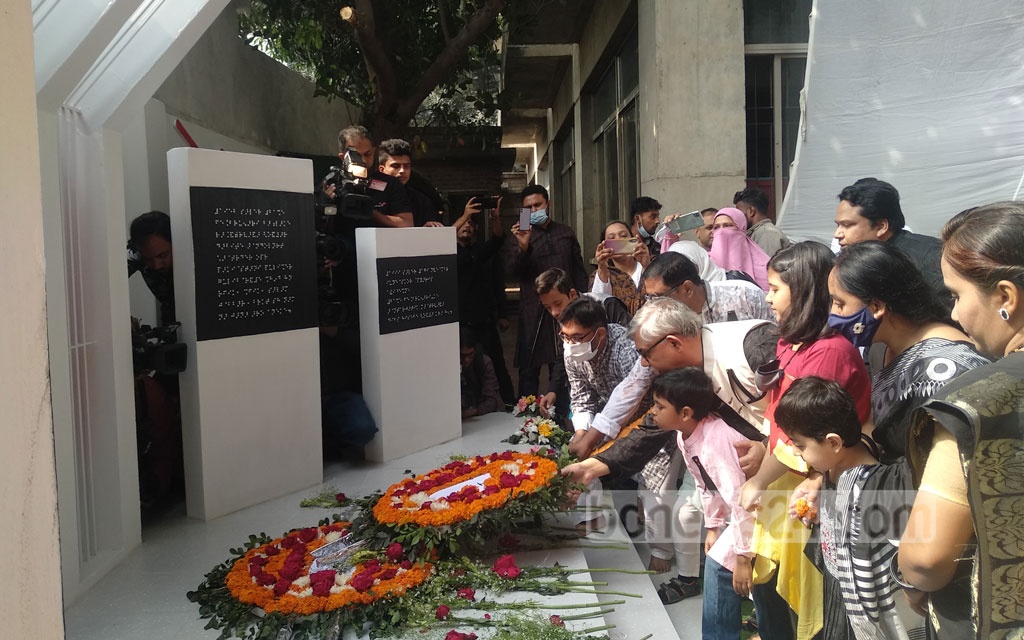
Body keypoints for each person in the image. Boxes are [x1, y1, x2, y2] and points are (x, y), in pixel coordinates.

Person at [562, 297, 774, 604]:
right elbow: (651, 428)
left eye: (645, 354)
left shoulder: (752, 345)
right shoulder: (681, 376)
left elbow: (808, 407)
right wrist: (592, 467)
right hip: (752, 479)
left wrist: (769, 447)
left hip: (791, 467)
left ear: (673, 342)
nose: (644, 364)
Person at [898, 201, 1024, 639]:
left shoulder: (976, 400)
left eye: (956, 295)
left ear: (1005, 297)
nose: (953, 314)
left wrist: (910, 579)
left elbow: (925, 559)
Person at [738, 241, 872, 640]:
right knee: (775, 591)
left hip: (813, 486)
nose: (768, 297)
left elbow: (802, 436)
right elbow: (779, 419)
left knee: (811, 599)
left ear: (804, 291)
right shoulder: (790, 343)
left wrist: (759, 480)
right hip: (787, 480)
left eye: (775, 288)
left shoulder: (828, 352)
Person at [775, 377, 910, 640]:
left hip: (869, 609)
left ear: (834, 442)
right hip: (839, 594)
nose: (796, 452)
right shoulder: (832, 468)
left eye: (800, 445)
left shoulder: (876, 490)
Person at [828, 241, 989, 462]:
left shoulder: (945, 370)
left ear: (876, 307)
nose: (833, 314)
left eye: (839, 304)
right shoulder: (881, 347)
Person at [648, 368, 755, 640]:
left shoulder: (716, 440)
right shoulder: (685, 435)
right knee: (721, 567)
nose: (652, 411)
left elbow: (743, 498)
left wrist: (743, 556)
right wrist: (713, 527)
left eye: (660, 406)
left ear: (685, 413)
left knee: (721, 569)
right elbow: (705, 484)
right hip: (744, 514)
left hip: (761, 511)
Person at [509, 184, 588, 406]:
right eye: (528, 208)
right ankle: (527, 418)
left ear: (548, 204)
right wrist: (523, 246)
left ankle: (559, 415)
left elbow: (578, 270)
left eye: (538, 204)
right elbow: (514, 270)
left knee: (562, 365)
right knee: (529, 368)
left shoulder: (565, 233)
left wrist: (583, 300)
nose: (534, 210)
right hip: (533, 310)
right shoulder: (521, 234)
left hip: (565, 309)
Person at [832, 178, 949, 311]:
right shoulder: (850, 262)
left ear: (881, 226)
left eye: (847, 225)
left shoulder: (931, 258)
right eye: (838, 225)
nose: (837, 234)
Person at [533, 267, 630, 419]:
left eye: (557, 303)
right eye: (548, 307)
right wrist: (553, 390)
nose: (554, 312)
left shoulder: (608, 307)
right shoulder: (566, 335)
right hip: (594, 400)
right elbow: (581, 398)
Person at [454, 198, 514, 405]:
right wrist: (464, 215)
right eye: (463, 224)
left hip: (484, 322)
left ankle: (511, 406)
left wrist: (496, 218)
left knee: (497, 365)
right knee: (462, 366)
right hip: (460, 324)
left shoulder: (481, 252)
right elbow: (438, 241)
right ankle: (468, 407)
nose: (467, 226)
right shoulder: (446, 252)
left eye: (471, 223)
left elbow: (498, 239)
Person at [641, 251, 774, 325]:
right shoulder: (661, 321)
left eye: (658, 297)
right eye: (649, 297)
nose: (652, 304)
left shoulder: (745, 296)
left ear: (687, 289)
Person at [333, 125, 413, 228]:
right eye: (356, 156)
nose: (363, 160)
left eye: (367, 154)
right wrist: (328, 202)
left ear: (374, 152)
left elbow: (406, 223)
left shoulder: (390, 184)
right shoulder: (333, 182)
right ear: (342, 157)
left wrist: (370, 212)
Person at [376, 138, 443, 227]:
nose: (402, 171)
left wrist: (428, 227)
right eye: (396, 166)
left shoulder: (421, 200)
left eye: (406, 166)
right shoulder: (372, 195)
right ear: (382, 169)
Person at [592, 220, 649, 315]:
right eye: (612, 238)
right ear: (604, 246)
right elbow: (597, 306)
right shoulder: (600, 274)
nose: (618, 240)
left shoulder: (648, 265)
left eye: (623, 236)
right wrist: (602, 268)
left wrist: (646, 266)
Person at [128, 211, 176, 323]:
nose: (156, 266)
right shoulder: (134, 252)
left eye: (163, 256)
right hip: (168, 316)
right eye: (147, 259)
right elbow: (105, 285)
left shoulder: (191, 249)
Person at [710, 207, 771, 290]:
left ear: (742, 228)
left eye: (728, 225)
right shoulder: (706, 263)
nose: (721, 231)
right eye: (716, 227)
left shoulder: (765, 266)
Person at [734, 187, 791, 257]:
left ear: (751, 211)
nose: (736, 216)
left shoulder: (767, 234)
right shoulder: (757, 233)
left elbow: (767, 263)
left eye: (739, 212)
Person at [459, 327, 502, 419]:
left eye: (470, 355)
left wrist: (471, 412)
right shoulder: (448, 367)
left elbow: (492, 400)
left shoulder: (484, 363)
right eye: (462, 356)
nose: (466, 360)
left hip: (481, 413)